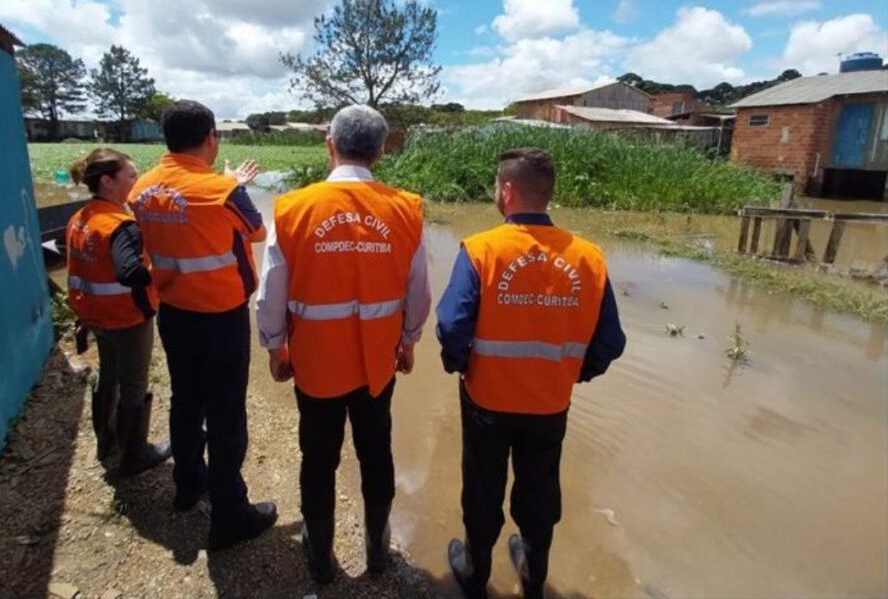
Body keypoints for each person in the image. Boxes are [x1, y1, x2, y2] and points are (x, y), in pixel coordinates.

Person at [436, 148, 626, 599]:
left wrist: (461, 364)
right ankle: (534, 577)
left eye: (496, 188)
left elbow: (450, 325)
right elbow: (611, 342)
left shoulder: (482, 250)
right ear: (547, 194)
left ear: (507, 190)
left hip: (487, 399)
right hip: (550, 403)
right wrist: (573, 373)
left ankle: (476, 574)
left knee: (483, 487)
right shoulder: (590, 258)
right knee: (540, 489)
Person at [256, 104, 431, 584]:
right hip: (378, 365)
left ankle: (320, 560)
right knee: (376, 453)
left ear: (329, 144)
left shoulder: (292, 208)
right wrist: (410, 341)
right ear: (380, 151)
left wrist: (275, 348)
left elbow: (271, 289)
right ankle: (377, 553)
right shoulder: (406, 208)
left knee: (319, 458)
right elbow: (418, 292)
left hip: (316, 366)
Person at [128, 100, 277, 550]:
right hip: (221, 319)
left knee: (186, 399)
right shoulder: (221, 191)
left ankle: (189, 483)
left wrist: (229, 184)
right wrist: (234, 186)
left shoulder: (142, 188)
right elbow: (257, 233)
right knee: (226, 414)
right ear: (211, 137)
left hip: (174, 313)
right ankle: (231, 516)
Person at [65, 148, 172, 478]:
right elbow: (129, 272)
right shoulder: (120, 225)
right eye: (130, 175)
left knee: (107, 375)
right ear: (108, 181)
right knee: (134, 385)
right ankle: (134, 455)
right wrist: (160, 270)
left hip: (95, 315)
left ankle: (105, 442)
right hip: (127, 318)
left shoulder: (80, 218)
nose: (136, 181)